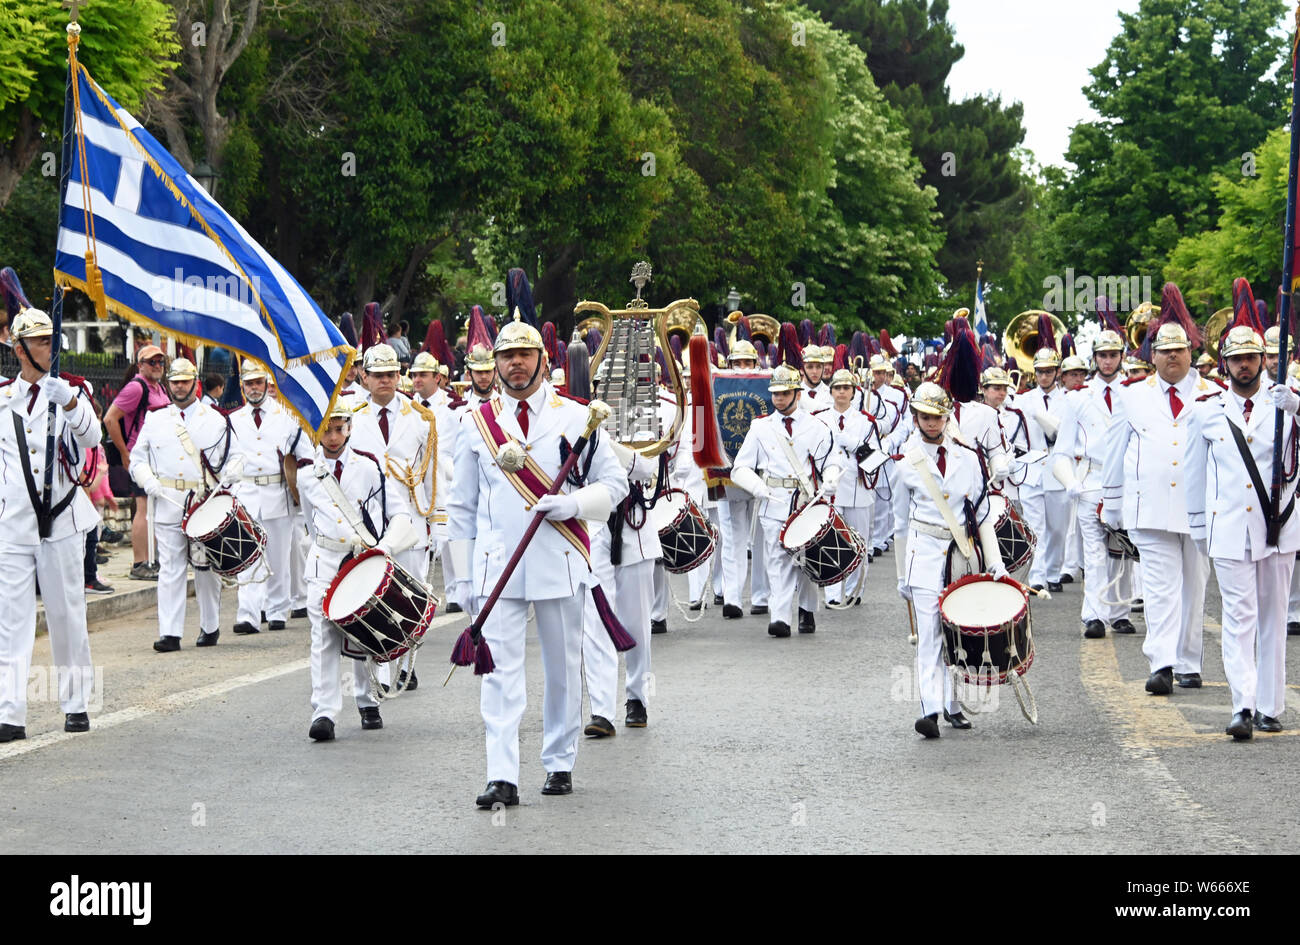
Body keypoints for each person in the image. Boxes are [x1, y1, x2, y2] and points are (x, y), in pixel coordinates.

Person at [447, 317, 627, 808]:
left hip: (560, 555)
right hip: (497, 564)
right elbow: (459, 507)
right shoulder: (473, 423)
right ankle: (501, 774)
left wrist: (574, 505)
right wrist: (461, 575)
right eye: (507, 356)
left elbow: (615, 486)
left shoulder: (576, 416)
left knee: (563, 666)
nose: (516, 364)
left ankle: (559, 760)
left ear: (543, 361)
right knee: (499, 673)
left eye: (525, 355)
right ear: (495, 363)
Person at [1186, 323, 1300, 738]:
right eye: (1237, 359)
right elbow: (1194, 475)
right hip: (1231, 528)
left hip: (1279, 526)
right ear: (1225, 364)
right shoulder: (1206, 409)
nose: (1245, 366)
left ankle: (1270, 706)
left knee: (1273, 617)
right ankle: (1243, 706)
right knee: (1239, 617)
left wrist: (1298, 409)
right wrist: (1199, 528)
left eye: (1251, 357)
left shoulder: (1286, 401)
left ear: (1262, 360)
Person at [1102, 308, 1216, 695]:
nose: (1172, 357)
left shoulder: (1212, 394)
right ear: (1152, 356)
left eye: (1179, 350)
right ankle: (1162, 662)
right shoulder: (1132, 395)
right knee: (1159, 587)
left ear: (1191, 352)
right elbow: (1115, 451)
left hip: (1199, 507)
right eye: (1164, 350)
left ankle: (1188, 661)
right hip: (1148, 506)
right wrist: (1112, 503)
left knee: (1194, 585)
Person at [0, 309, 100, 741]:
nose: (50, 347)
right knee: (11, 622)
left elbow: (93, 440)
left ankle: (75, 703)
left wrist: (71, 402)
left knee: (66, 616)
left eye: (51, 339)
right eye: (40, 341)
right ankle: (9, 713)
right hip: (14, 525)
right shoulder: (2, 398)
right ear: (20, 350)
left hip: (61, 521)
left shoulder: (73, 391)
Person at [295, 396, 417, 740]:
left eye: (339, 429)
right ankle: (324, 711)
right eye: (326, 430)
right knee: (323, 637)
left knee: (364, 631)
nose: (333, 437)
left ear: (349, 428)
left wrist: (385, 547)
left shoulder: (368, 466)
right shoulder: (307, 473)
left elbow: (398, 513)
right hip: (324, 562)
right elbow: (310, 518)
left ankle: (366, 700)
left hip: (360, 560)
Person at [892, 382, 1006, 738]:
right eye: (924, 417)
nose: (931, 423)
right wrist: (901, 574)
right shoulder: (905, 463)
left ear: (947, 418)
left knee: (957, 633)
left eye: (937, 417)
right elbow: (899, 523)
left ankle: (955, 705)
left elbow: (982, 513)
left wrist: (995, 561)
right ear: (915, 418)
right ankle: (931, 709)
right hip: (923, 556)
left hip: (961, 557)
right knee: (929, 636)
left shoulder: (968, 458)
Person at [730, 365, 845, 637]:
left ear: (797, 393)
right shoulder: (760, 427)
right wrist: (757, 486)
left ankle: (806, 609)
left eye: (784, 393)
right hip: (773, 501)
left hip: (806, 501)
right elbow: (739, 468)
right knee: (778, 559)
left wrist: (830, 478)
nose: (778, 399)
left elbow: (831, 461)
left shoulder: (817, 426)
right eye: (775, 394)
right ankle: (780, 617)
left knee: (806, 559)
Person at [129, 357, 235, 651]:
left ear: (195, 383)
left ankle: (210, 626)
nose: (178, 387)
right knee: (171, 568)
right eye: (174, 382)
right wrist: (147, 480)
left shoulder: (214, 418)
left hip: (203, 500)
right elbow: (137, 459)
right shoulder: (155, 418)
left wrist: (228, 480)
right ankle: (170, 633)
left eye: (184, 381)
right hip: (167, 500)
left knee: (205, 566)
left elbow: (234, 456)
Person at [1050, 329, 1134, 638]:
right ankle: (1095, 614)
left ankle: (1121, 611)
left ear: (1121, 357)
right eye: (1102, 356)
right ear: (1094, 359)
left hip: (1126, 480)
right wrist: (1070, 480)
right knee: (1095, 552)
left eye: (1113, 355)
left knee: (1123, 549)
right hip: (1090, 478)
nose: (1108, 361)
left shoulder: (1135, 392)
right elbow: (1061, 448)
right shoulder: (1078, 398)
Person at [228, 360, 296, 634]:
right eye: (249, 384)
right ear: (242, 387)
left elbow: (297, 455)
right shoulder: (233, 419)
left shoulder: (286, 416)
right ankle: (248, 615)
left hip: (276, 491)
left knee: (278, 556)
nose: (254, 388)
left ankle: (278, 610)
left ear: (268, 384)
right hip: (245, 493)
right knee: (247, 557)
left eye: (258, 383)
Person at [812, 369, 880, 605]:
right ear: (830, 391)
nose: (842, 392)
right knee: (829, 540)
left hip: (857, 489)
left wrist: (855, 445)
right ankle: (832, 592)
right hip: (828, 488)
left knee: (858, 541)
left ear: (853, 392)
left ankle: (854, 590)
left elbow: (876, 458)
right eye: (837, 388)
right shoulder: (818, 418)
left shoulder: (865, 422)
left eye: (846, 388)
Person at [104, 345, 169, 580]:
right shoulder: (136, 387)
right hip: (141, 455)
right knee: (143, 507)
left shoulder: (158, 387)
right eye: (152, 362)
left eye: (160, 362)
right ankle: (140, 562)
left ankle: (152, 559)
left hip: (157, 456)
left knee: (152, 508)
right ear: (140, 364)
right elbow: (110, 418)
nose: (157, 366)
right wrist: (125, 452)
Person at [1021, 347, 1069, 592]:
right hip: (1032, 470)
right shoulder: (1024, 400)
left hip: (1058, 469)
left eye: (1049, 372)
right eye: (1039, 372)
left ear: (1057, 372)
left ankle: (1053, 571)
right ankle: (1038, 577)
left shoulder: (1069, 399)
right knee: (1035, 526)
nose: (1044, 377)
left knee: (1058, 528)